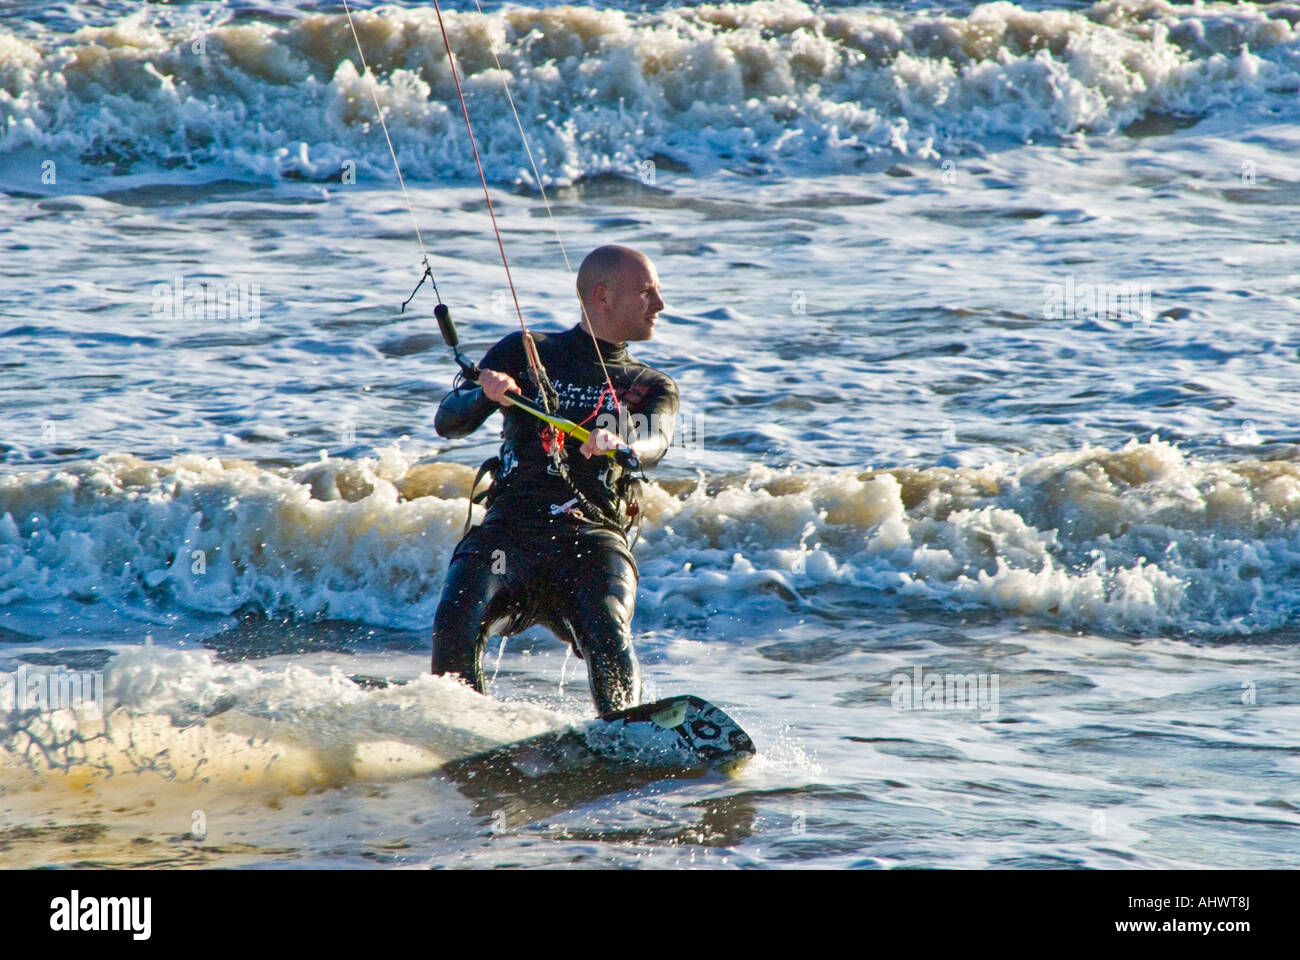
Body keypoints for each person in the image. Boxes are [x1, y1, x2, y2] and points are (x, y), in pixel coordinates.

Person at [430, 245, 678, 716]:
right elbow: (448, 422)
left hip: (590, 539)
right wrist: (487, 398)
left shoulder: (650, 384)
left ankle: (623, 733)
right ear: (602, 296)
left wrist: (622, 445)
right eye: (647, 292)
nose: (660, 305)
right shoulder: (525, 350)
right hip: (510, 535)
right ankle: (460, 723)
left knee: (606, 625)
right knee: (457, 613)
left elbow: (656, 442)